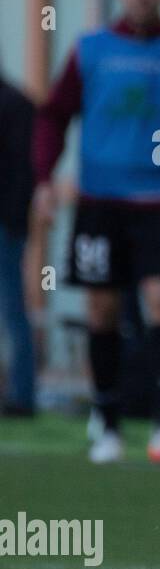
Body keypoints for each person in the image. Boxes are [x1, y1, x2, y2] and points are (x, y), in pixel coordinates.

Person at [32, 0, 160, 464]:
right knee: (102, 310)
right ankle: (108, 425)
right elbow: (54, 116)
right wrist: (45, 179)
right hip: (98, 204)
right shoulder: (90, 49)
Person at [0, 67, 36, 417]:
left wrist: (13, 220)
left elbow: (27, 169)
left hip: (5, 225)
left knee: (12, 310)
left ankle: (22, 395)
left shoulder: (16, 104)